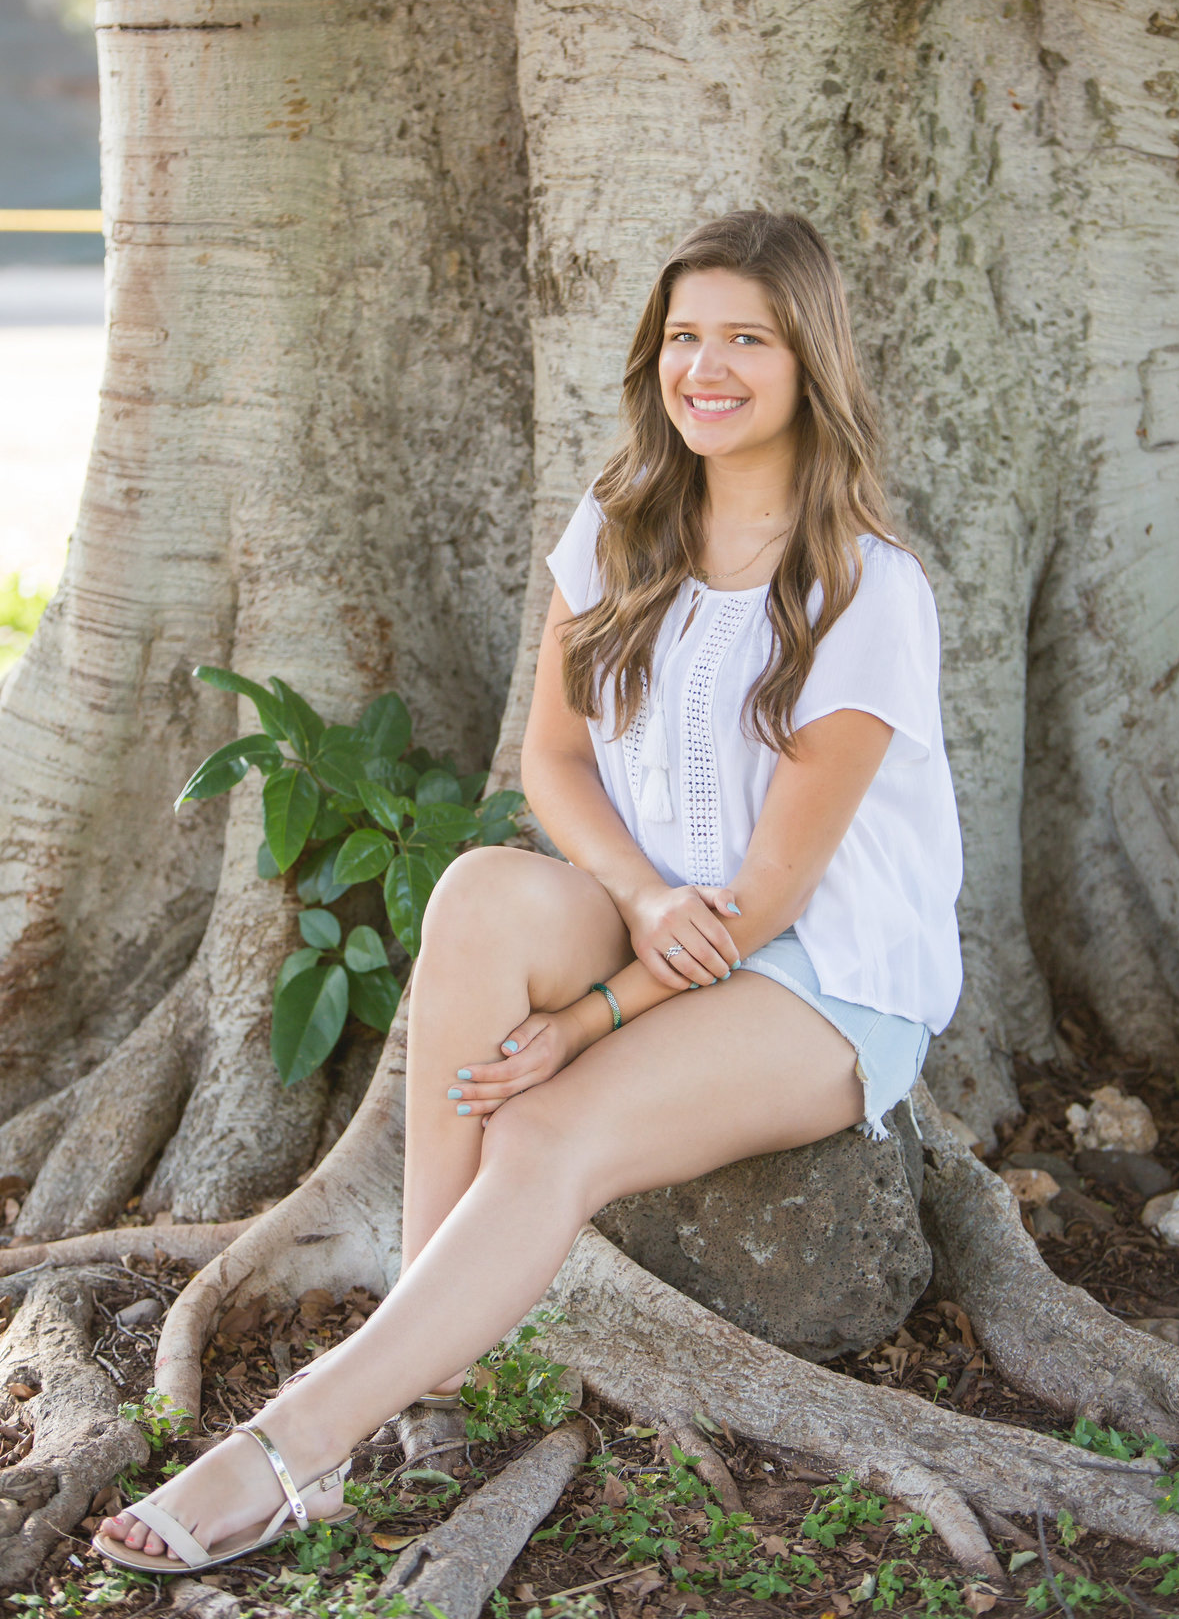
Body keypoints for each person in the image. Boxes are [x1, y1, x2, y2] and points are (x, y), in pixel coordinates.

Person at [96, 209, 962, 1573]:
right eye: (685, 337)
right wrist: (628, 893)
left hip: (823, 971)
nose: (708, 368)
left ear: (810, 360)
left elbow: (777, 895)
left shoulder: (868, 590)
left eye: (747, 337)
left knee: (548, 1130)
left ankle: (284, 1454)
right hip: (663, 913)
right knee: (487, 893)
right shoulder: (620, 527)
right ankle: (429, 1347)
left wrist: (584, 1020)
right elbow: (553, 761)